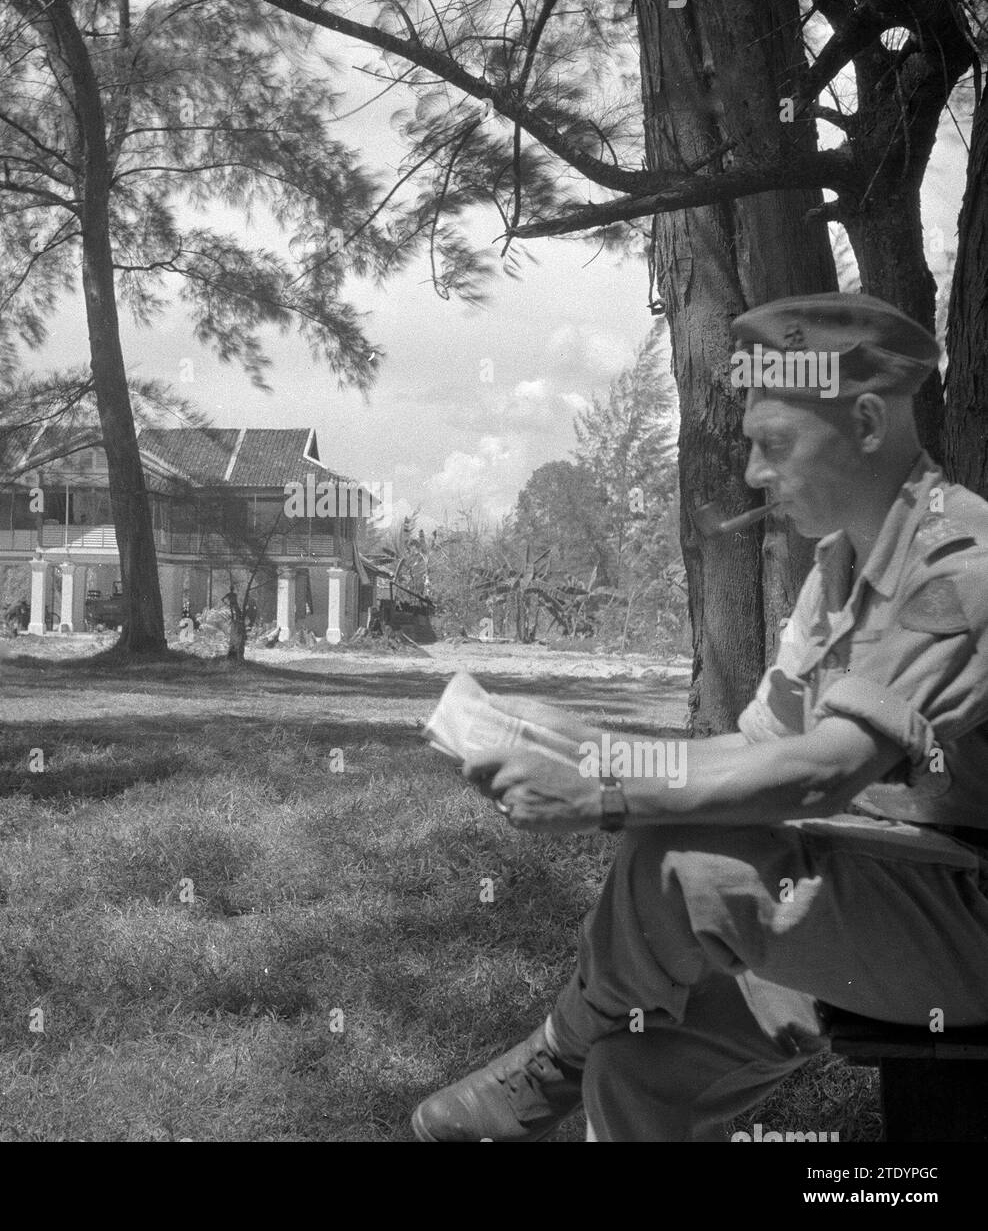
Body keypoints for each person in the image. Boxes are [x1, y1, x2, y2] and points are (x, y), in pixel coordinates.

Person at [412, 292, 988, 1142]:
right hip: (897, 889)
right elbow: (761, 744)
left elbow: (825, 770)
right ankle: (585, 1056)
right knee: (643, 1070)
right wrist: (576, 740)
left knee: (677, 863)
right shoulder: (840, 565)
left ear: (867, 421)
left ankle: (558, 1053)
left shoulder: (958, 563)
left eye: (774, 445)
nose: (755, 474)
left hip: (965, 920)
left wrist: (605, 792)